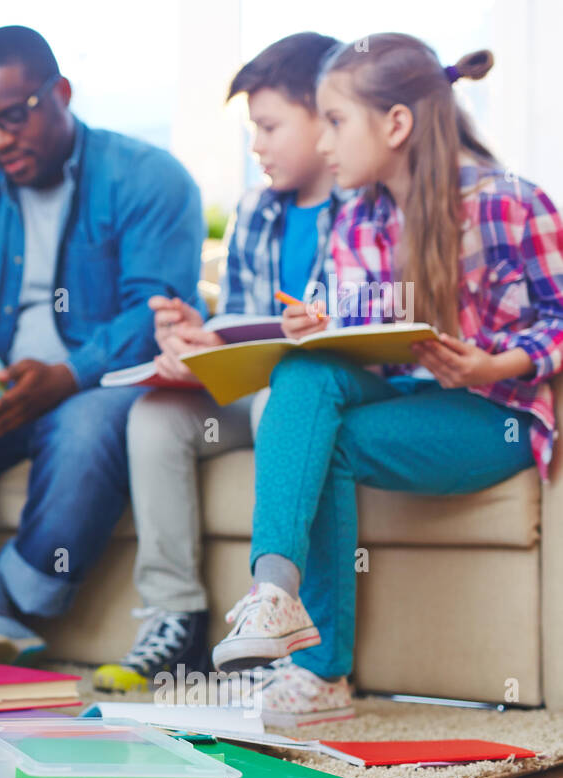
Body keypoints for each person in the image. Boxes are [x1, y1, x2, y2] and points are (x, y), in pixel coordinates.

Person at [210, 35, 563, 724]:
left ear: (396, 124)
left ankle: (318, 672)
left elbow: (559, 316)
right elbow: (358, 332)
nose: (326, 140)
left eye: (337, 121)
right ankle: (275, 594)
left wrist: (500, 363)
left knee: (328, 437)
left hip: (494, 410)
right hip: (401, 394)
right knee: (306, 371)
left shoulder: (510, 203)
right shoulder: (357, 214)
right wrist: (322, 324)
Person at [0, 25, 203, 663]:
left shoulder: (149, 178)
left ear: (61, 93)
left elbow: (153, 312)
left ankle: (6, 609)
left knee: (89, 419)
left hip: (95, 387)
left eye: (13, 117)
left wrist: (67, 374)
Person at [95, 32, 349, 691]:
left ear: (328, 116)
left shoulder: (364, 208)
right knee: (156, 416)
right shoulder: (254, 212)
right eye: (251, 130)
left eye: (268, 126)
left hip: (315, 396)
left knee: (280, 398)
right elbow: (240, 324)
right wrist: (200, 343)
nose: (256, 145)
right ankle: (175, 618)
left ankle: (279, 627)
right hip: (255, 386)